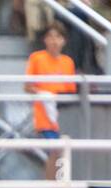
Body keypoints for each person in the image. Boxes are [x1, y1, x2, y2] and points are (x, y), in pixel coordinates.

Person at [25, 22, 77, 179]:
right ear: (45, 40)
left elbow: (71, 90)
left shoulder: (68, 62)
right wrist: (44, 95)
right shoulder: (36, 58)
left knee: (61, 153)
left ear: (64, 41)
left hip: (63, 115)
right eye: (50, 37)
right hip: (44, 116)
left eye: (58, 37)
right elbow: (28, 86)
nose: (54, 41)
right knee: (55, 150)